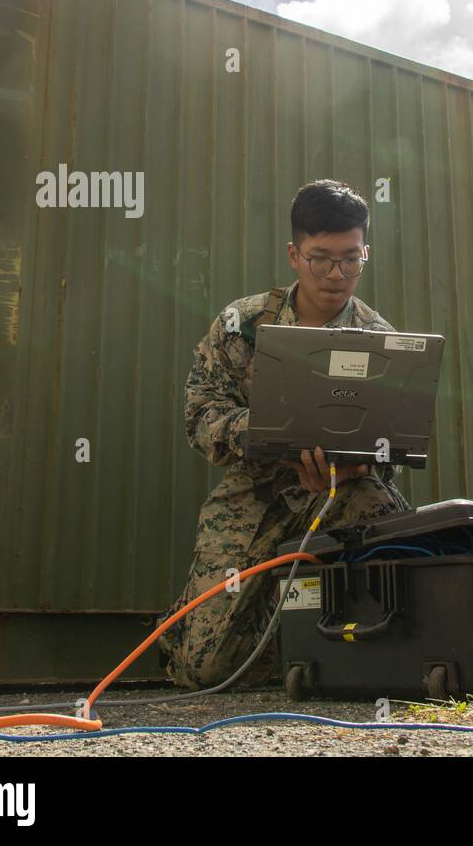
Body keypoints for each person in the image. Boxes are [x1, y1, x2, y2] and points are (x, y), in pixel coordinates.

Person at [157, 179, 409, 689]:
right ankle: (282, 635)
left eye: (350, 258)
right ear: (295, 255)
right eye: (320, 259)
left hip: (344, 491)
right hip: (259, 492)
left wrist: (359, 463)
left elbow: (392, 444)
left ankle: (342, 648)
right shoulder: (244, 324)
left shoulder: (384, 340)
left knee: (400, 540)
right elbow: (200, 416)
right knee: (204, 671)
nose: (336, 275)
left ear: (365, 254)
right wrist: (269, 430)